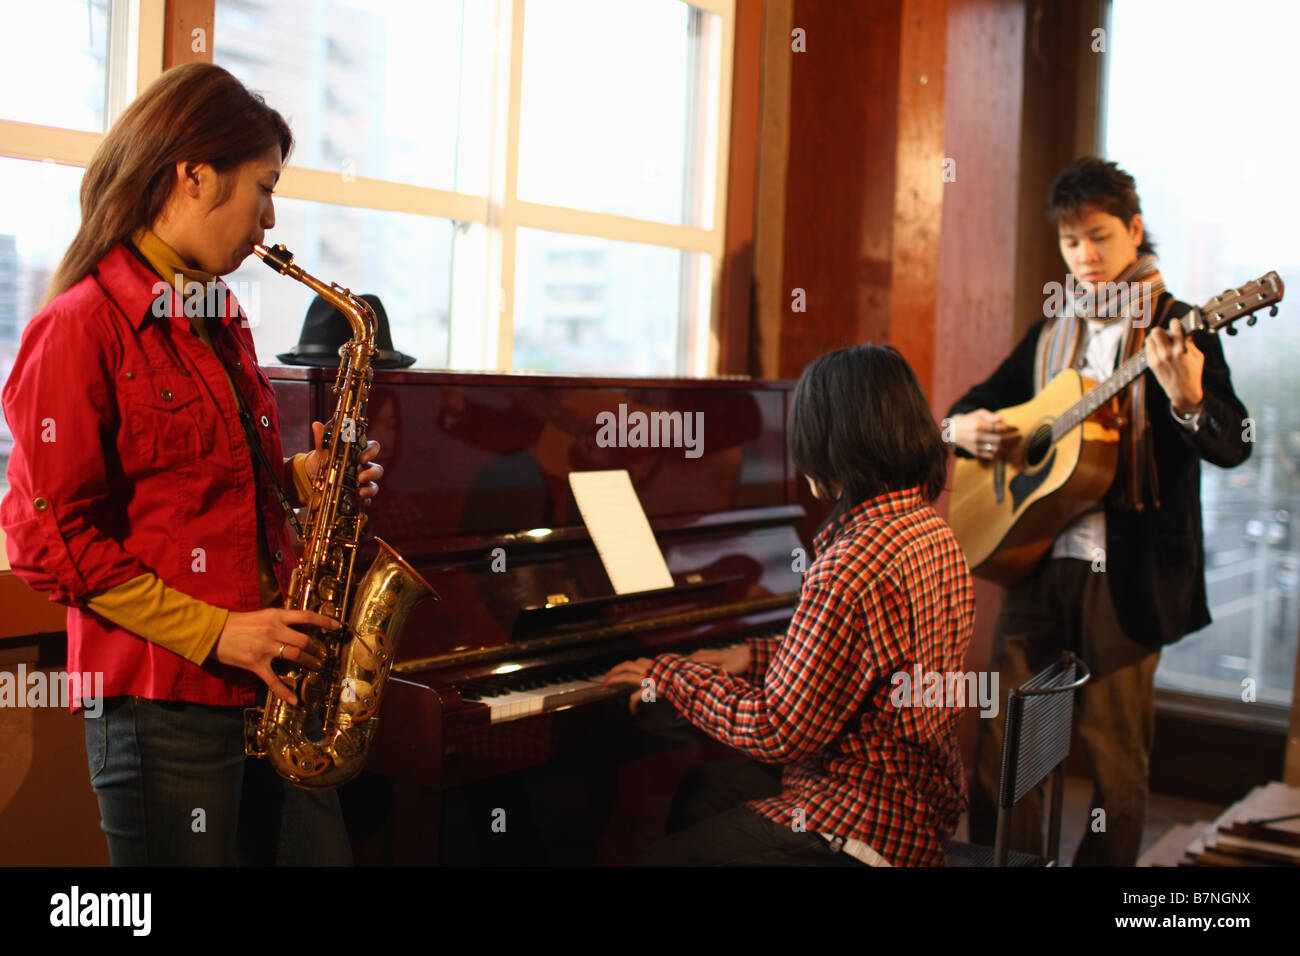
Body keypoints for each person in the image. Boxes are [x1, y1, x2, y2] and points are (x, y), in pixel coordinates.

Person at [0, 63, 385, 866]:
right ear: (195, 174)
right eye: (264, 187)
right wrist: (218, 633)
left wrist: (297, 480)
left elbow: (194, 480)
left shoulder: (216, 313)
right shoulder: (79, 326)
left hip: (273, 685)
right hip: (163, 706)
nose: (271, 217)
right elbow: (47, 541)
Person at [945, 157, 1251, 866]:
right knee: (1009, 749)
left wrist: (1189, 401)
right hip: (1037, 560)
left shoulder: (1180, 326)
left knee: (1114, 762)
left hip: (1129, 574)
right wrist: (956, 431)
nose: (1085, 256)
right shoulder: (1055, 328)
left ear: (1136, 230)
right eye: (1071, 241)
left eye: (1101, 237)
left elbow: (1234, 443)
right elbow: (972, 405)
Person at [603, 344, 975, 866]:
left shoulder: (852, 562)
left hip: (858, 829)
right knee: (703, 792)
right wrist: (753, 658)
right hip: (917, 809)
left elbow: (776, 729)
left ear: (829, 442)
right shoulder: (927, 529)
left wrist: (669, 676)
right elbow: (855, 659)